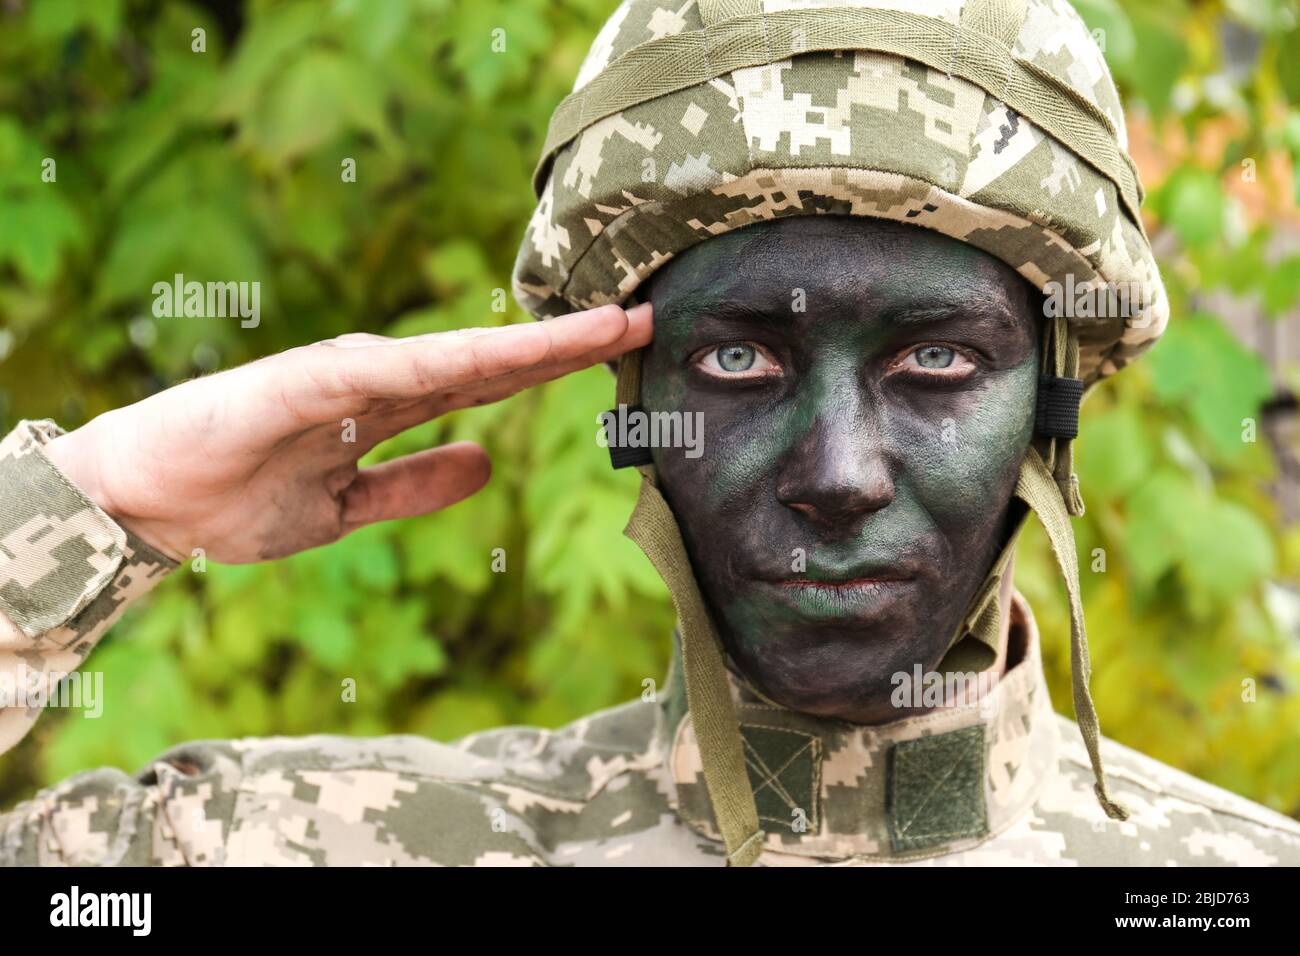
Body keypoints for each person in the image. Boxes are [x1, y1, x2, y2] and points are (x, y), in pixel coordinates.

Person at [2, 0, 1298, 866]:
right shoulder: (295, 843)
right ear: (631, 409)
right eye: (738, 357)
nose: (839, 476)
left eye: (937, 359)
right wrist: (104, 501)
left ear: (1053, 413)